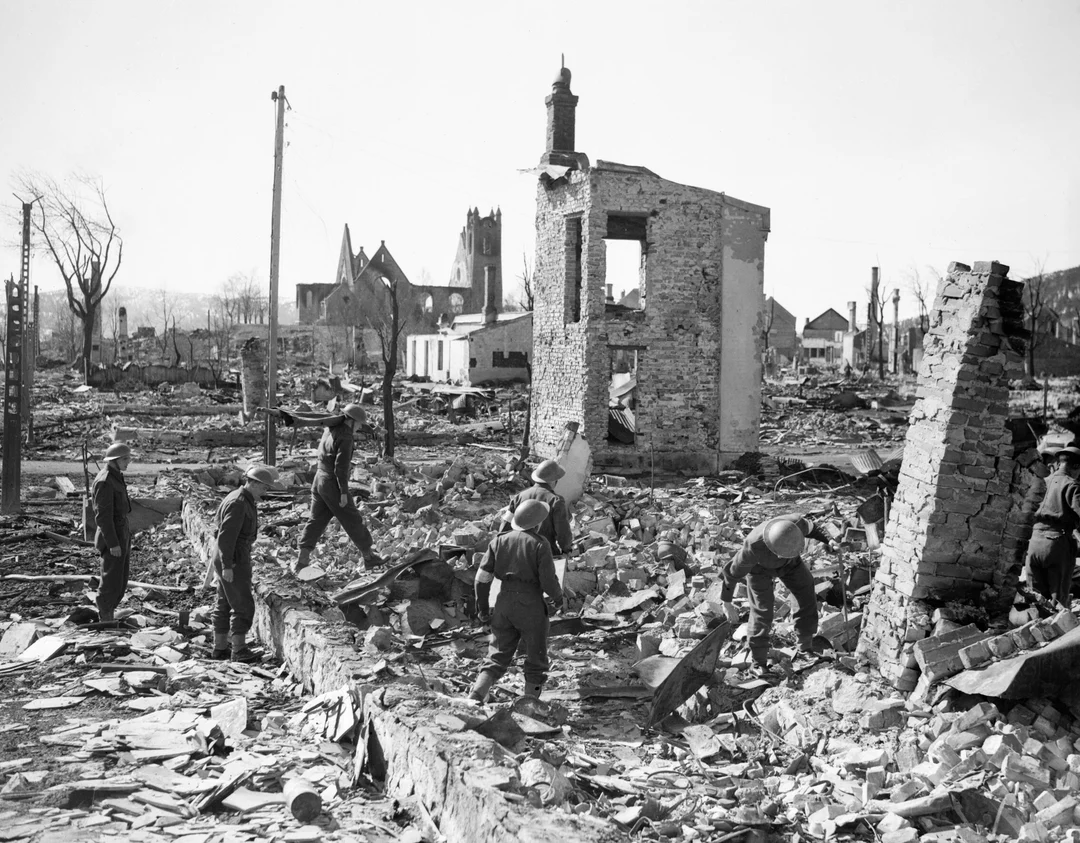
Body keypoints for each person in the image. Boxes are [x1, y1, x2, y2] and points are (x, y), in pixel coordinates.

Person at [718, 513, 836, 675]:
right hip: (759, 570)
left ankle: (805, 650)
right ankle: (758, 663)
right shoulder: (753, 547)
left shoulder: (796, 524)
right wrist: (727, 602)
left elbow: (815, 529)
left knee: (806, 589)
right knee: (762, 611)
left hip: (791, 562)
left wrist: (829, 541)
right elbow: (731, 574)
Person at [470, 499, 564, 703]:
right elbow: (548, 580)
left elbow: (481, 579)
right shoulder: (540, 544)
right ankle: (529, 705)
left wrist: (483, 610)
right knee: (536, 659)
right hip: (531, 606)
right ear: (538, 523)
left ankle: (475, 696)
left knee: (496, 656)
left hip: (503, 603)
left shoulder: (498, 541)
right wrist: (558, 599)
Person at [275, 403, 384, 574]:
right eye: (359, 425)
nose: (359, 428)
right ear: (353, 422)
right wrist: (342, 492)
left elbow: (357, 431)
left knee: (316, 520)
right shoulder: (346, 437)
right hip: (333, 483)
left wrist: (374, 430)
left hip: (319, 479)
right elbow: (341, 468)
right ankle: (369, 557)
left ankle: (302, 561)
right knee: (352, 519)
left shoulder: (331, 428)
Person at [212, 465, 274, 662]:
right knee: (243, 604)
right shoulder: (238, 503)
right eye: (264, 487)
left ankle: (220, 647)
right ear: (253, 483)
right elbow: (226, 537)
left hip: (232, 556)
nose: (265, 492)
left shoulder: (242, 499)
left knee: (224, 602)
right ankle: (239, 650)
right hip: (234, 558)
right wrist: (228, 566)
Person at [1024, 446, 1080, 606]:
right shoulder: (1072, 486)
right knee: (1058, 602)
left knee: (1035, 599)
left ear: (1059, 463)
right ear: (1076, 467)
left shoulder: (1042, 482)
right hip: (1056, 543)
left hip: (1033, 543)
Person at [92, 442, 134, 623]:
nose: (128, 462)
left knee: (120, 578)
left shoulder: (116, 476)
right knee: (110, 579)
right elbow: (103, 517)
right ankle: (105, 616)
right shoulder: (105, 481)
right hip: (113, 536)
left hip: (122, 531)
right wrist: (113, 543)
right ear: (115, 460)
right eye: (125, 459)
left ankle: (110, 612)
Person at [500, 459, 574, 555]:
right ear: (553, 481)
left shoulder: (519, 497)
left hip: (519, 551)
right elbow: (562, 531)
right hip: (545, 552)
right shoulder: (556, 500)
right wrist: (566, 549)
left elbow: (505, 525)